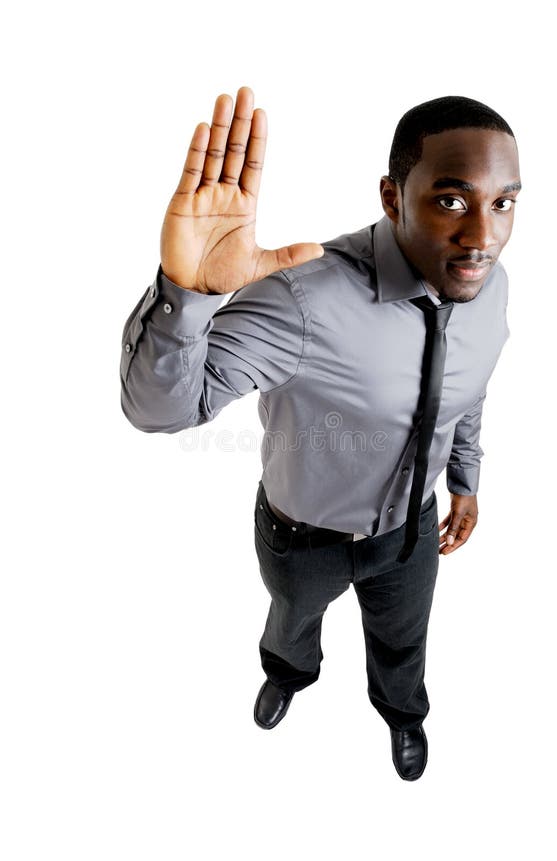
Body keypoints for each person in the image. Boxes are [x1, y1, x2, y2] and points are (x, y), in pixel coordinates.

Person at [119, 86, 521, 781]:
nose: (482, 235)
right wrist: (188, 293)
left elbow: (468, 392)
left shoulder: (487, 283)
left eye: (504, 202)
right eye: (452, 200)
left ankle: (403, 713)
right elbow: (161, 409)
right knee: (292, 622)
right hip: (302, 538)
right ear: (394, 197)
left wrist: (466, 482)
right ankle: (288, 674)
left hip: (411, 533)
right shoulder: (305, 297)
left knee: (404, 640)